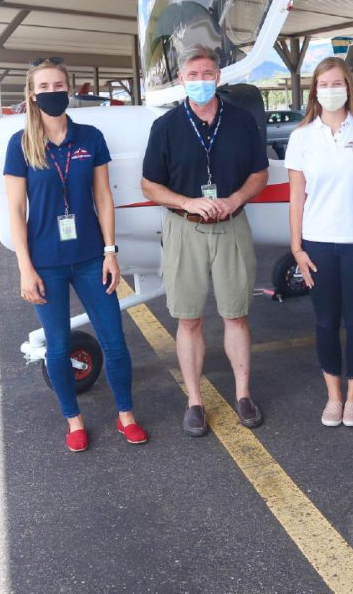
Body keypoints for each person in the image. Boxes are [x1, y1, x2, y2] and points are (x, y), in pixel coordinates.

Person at [4, 59, 147, 452]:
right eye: (44, 86)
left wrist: (110, 252)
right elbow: (15, 209)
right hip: (45, 262)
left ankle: (126, 415)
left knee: (115, 341)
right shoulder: (20, 145)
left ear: (68, 89)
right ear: (33, 94)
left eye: (58, 85)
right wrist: (25, 268)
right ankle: (74, 420)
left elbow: (103, 198)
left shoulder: (90, 137)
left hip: (90, 258)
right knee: (57, 346)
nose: (52, 92)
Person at [141, 44, 269, 435]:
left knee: (236, 314)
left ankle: (243, 395)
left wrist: (235, 198)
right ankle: (194, 401)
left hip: (232, 224)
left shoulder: (242, 122)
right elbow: (149, 185)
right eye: (193, 75)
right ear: (182, 80)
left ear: (218, 77)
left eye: (207, 74)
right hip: (184, 227)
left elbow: (259, 173)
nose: (200, 81)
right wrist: (187, 202)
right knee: (189, 318)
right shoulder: (166, 127)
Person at [285, 57, 353, 427]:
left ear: (349, 87)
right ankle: (333, 396)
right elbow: (297, 198)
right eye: (323, 84)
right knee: (325, 321)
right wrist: (297, 248)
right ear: (314, 91)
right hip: (318, 243)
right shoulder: (302, 137)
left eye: (337, 83)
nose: (330, 90)